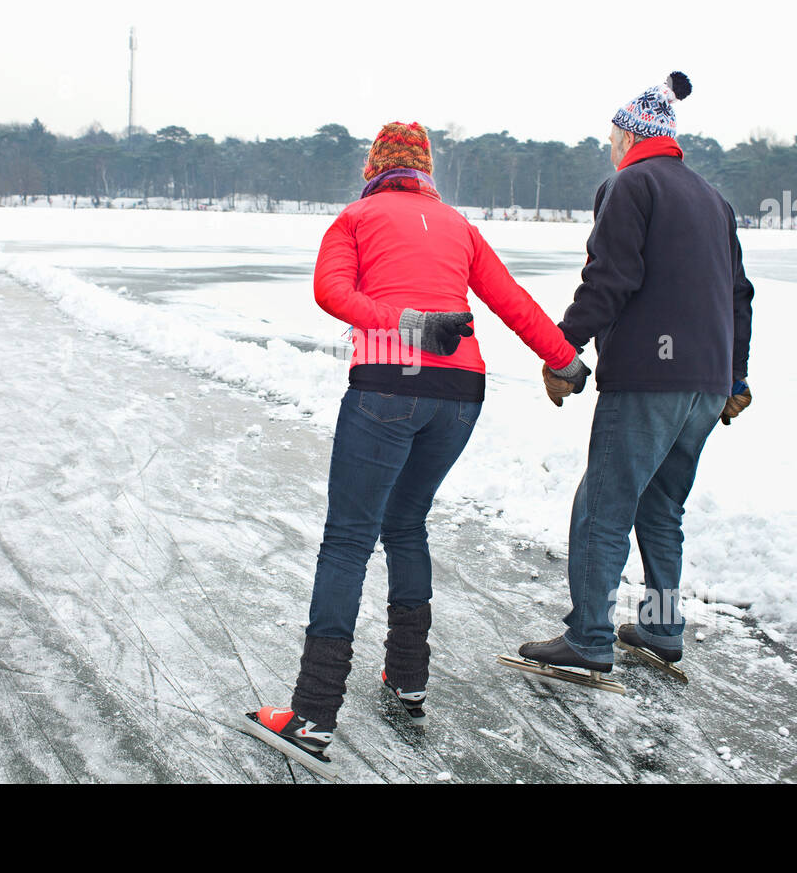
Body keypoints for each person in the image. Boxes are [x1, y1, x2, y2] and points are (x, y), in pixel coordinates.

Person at [245, 121, 587, 773]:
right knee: (404, 524)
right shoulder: (457, 226)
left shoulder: (355, 216)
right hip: (459, 397)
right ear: (425, 170)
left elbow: (331, 292)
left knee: (348, 539)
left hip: (387, 390)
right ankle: (407, 678)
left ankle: (312, 717)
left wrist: (401, 324)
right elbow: (509, 300)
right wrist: (564, 360)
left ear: (376, 167)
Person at [523, 72, 755, 677]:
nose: (609, 145)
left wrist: (561, 348)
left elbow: (609, 279)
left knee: (604, 504)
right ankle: (660, 626)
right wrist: (736, 377)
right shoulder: (713, 198)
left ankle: (590, 636)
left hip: (650, 378)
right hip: (706, 383)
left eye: (611, 135)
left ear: (629, 135)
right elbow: (738, 294)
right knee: (660, 508)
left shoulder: (629, 185)